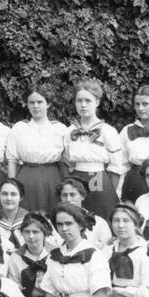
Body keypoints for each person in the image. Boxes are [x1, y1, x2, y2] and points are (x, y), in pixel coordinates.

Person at [63, 78, 123, 221]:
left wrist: (111, 191)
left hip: (99, 181)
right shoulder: (69, 131)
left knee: (99, 218)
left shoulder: (107, 131)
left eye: (88, 101)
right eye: (79, 101)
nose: (83, 105)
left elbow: (117, 168)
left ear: (97, 102)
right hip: (76, 179)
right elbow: (66, 162)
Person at [9, 85, 69, 213]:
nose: (36, 106)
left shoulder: (60, 128)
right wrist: (12, 186)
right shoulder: (19, 128)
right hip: (26, 178)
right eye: (32, 102)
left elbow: (65, 160)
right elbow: (12, 160)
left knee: (53, 213)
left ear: (48, 104)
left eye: (40, 102)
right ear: (27, 104)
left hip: (52, 177)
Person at [103, 202, 149, 297]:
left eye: (126, 221)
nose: (120, 225)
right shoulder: (108, 250)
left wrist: (118, 291)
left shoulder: (145, 252)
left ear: (136, 224)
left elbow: (147, 290)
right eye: (116, 221)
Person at [5, 211, 55, 297]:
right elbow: (15, 292)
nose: (31, 236)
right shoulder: (16, 258)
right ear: (22, 233)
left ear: (44, 233)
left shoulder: (55, 254)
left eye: (35, 232)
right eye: (27, 232)